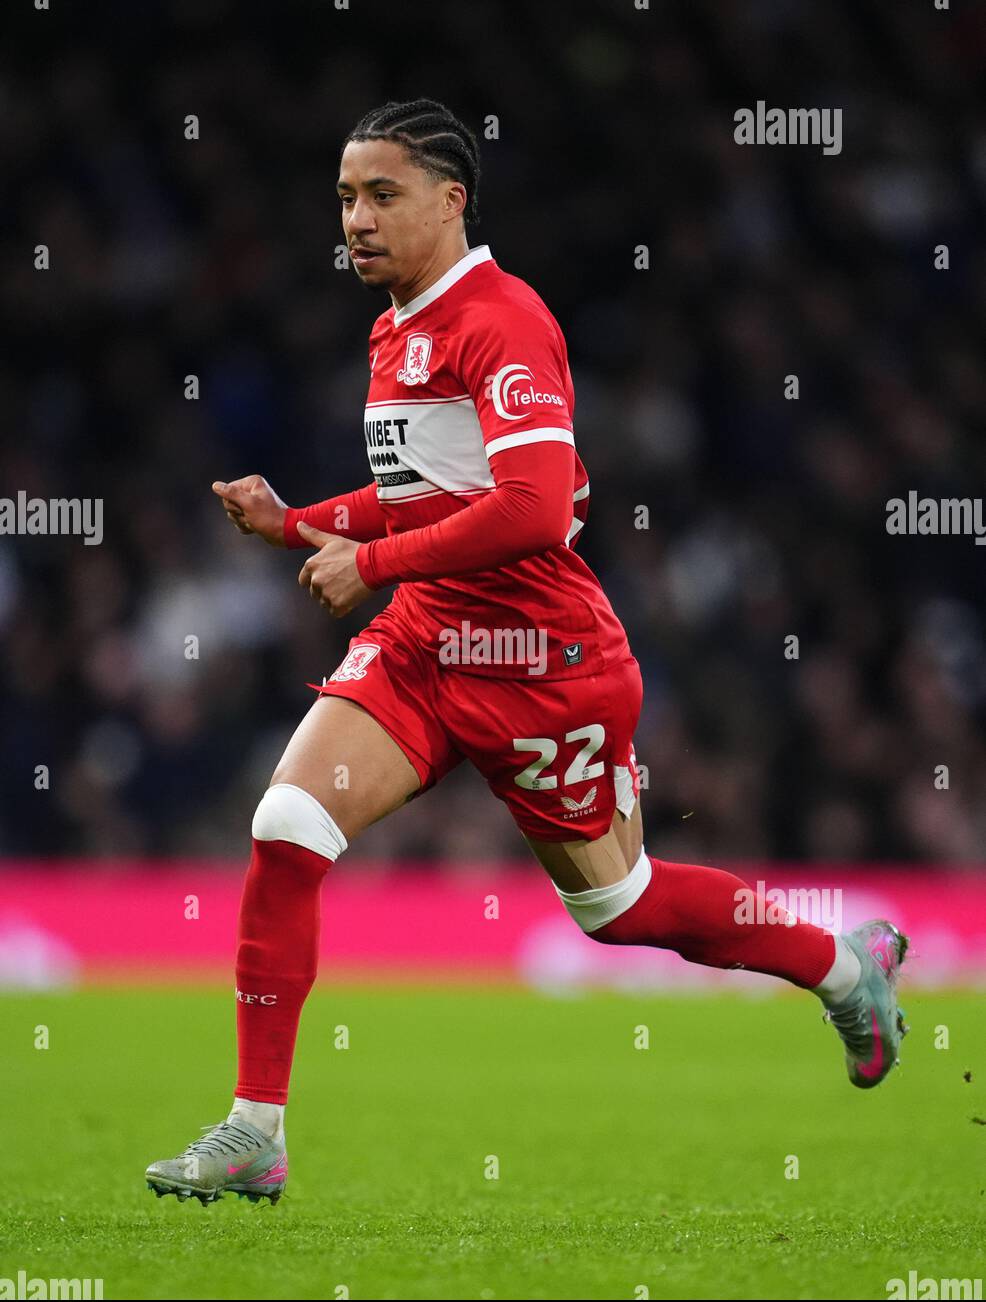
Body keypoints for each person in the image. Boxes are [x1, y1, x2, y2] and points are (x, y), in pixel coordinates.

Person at [145, 98, 907, 1207]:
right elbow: (427, 490)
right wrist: (307, 520)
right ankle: (255, 1129)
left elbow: (537, 509)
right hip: (424, 645)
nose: (355, 219)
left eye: (381, 195)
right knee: (286, 823)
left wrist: (379, 560)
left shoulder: (498, 317)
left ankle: (846, 969)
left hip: (542, 663)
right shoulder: (395, 323)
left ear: (451, 201)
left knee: (619, 907)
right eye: (346, 198)